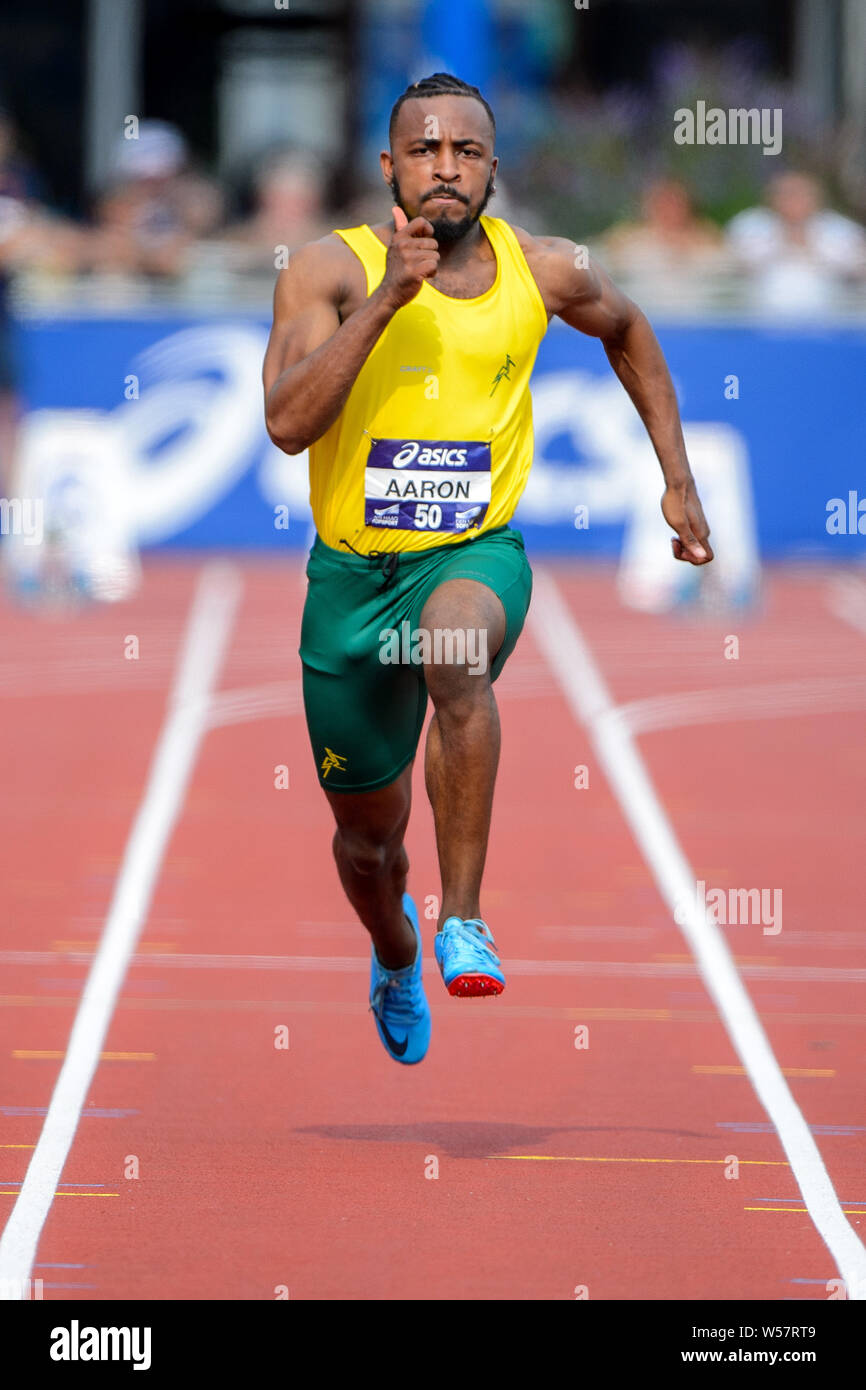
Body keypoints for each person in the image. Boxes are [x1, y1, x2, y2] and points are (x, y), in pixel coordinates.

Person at [262, 72, 713, 1066]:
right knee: (367, 846)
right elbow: (287, 424)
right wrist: (387, 300)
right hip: (349, 585)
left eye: (464, 151)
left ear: (492, 171)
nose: (444, 167)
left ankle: (462, 916)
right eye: (423, 151)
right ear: (389, 167)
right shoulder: (327, 274)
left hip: (471, 554)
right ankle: (394, 944)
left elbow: (630, 330)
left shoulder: (544, 270)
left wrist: (675, 480)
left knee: (455, 652)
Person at [725, 171, 866, 315]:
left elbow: (851, 265)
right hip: (761, 313)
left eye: (801, 195)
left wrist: (806, 244)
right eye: (786, 195)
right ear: (771, 198)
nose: (794, 201)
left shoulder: (840, 229)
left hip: (829, 314)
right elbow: (743, 262)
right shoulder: (749, 225)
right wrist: (786, 239)